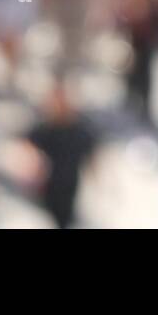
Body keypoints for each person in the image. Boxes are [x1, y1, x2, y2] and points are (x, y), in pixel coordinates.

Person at [24, 79, 97, 229]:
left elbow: (91, 152)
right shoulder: (47, 129)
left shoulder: (80, 130)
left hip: (70, 183)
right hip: (50, 183)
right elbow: (29, 144)